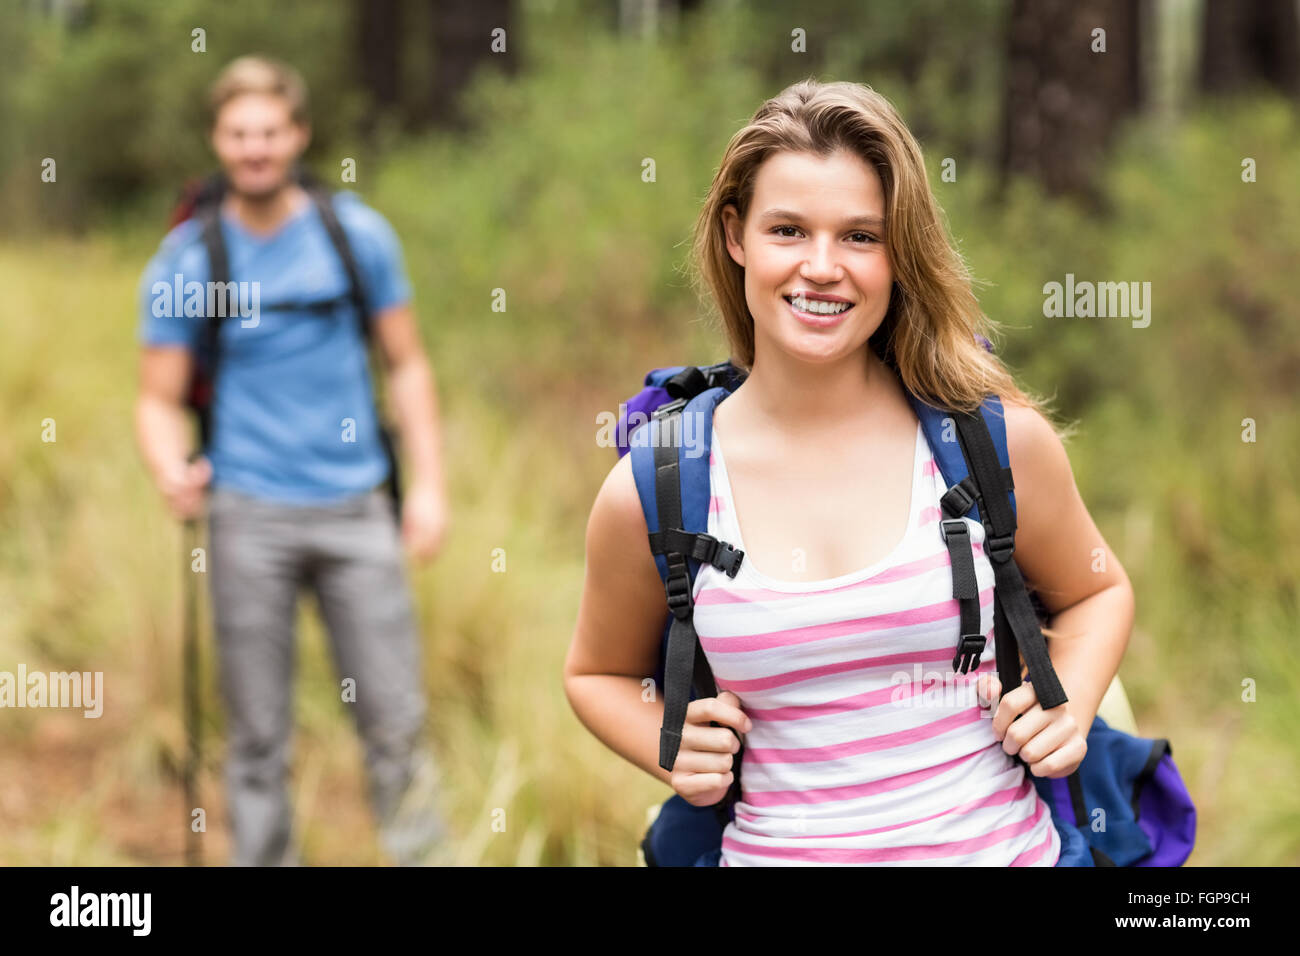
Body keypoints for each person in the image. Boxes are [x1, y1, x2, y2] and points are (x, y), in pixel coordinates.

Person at [564, 79, 1134, 866]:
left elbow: (1099, 589)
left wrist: (1067, 704)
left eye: (861, 236)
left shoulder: (992, 444)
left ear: (901, 249)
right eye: (789, 230)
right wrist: (667, 747)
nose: (822, 267)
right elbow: (596, 671)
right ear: (737, 236)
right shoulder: (657, 485)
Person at [134, 56, 450, 866]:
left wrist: (429, 491)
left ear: (298, 136)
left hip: (359, 510)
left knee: (394, 722)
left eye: (270, 132)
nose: (255, 148)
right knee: (256, 737)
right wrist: (171, 465)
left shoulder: (357, 236)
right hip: (246, 514)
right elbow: (158, 396)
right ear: (219, 141)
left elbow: (407, 364)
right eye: (239, 134)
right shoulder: (188, 259)